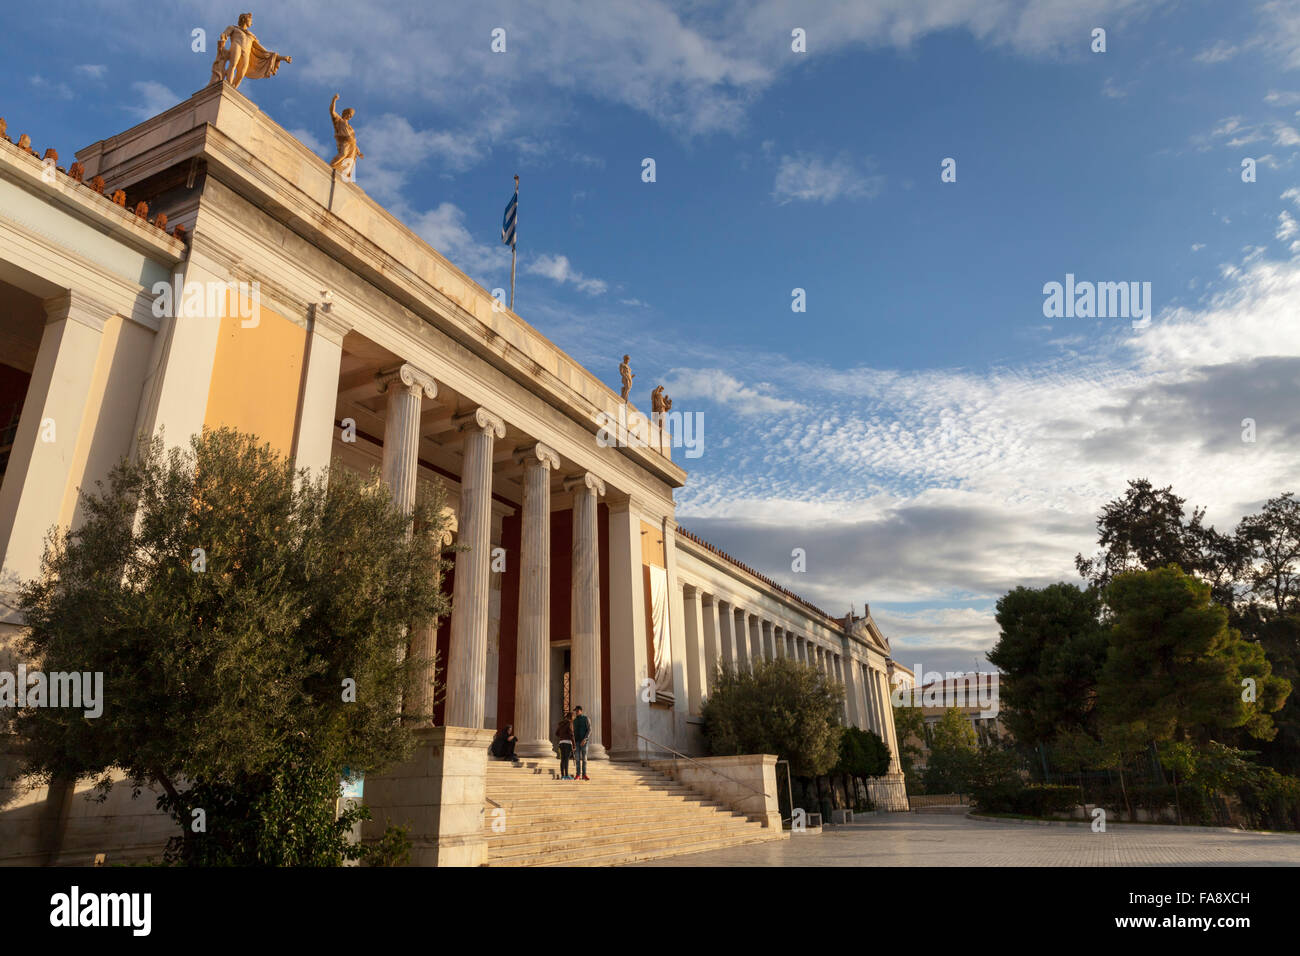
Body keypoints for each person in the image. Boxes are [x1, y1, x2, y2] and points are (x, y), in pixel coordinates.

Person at [572, 705, 591, 781]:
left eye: (577, 710)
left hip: (584, 742)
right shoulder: (574, 721)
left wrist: (585, 739)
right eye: (575, 711)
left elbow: (589, 730)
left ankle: (584, 774)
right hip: (576, 742)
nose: (576, 712)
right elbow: (573, 732)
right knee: (577, 759)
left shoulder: (586, 718)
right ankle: (577, 775)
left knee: (584, 759)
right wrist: (573, 743)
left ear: (581, 710)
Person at [555, 711, 575, 780]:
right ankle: (566, 775)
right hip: (567, 743)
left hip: (561, 743)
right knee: (566, 759)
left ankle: (563, 775)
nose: (574, 718)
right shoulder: (570, 723)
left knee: (562, 759)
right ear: (571, 717)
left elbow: (556, 733)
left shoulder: (561, 724)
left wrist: (562, 736)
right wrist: (574, 745)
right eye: (573, 716)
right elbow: (571, 734)